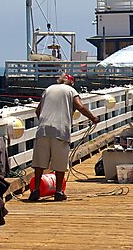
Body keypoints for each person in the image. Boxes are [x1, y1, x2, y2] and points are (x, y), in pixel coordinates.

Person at [30, 74, 99, 202]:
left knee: (39, 163)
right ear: (71, 83)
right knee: (60, 163)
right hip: (60, 131)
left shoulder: (48, 89)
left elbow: (38, 111)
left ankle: (36, 190)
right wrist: (93, 118)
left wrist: (45, 122)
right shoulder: (71, 90)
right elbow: (80, 106)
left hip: (43, 129)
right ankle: (58, 192)